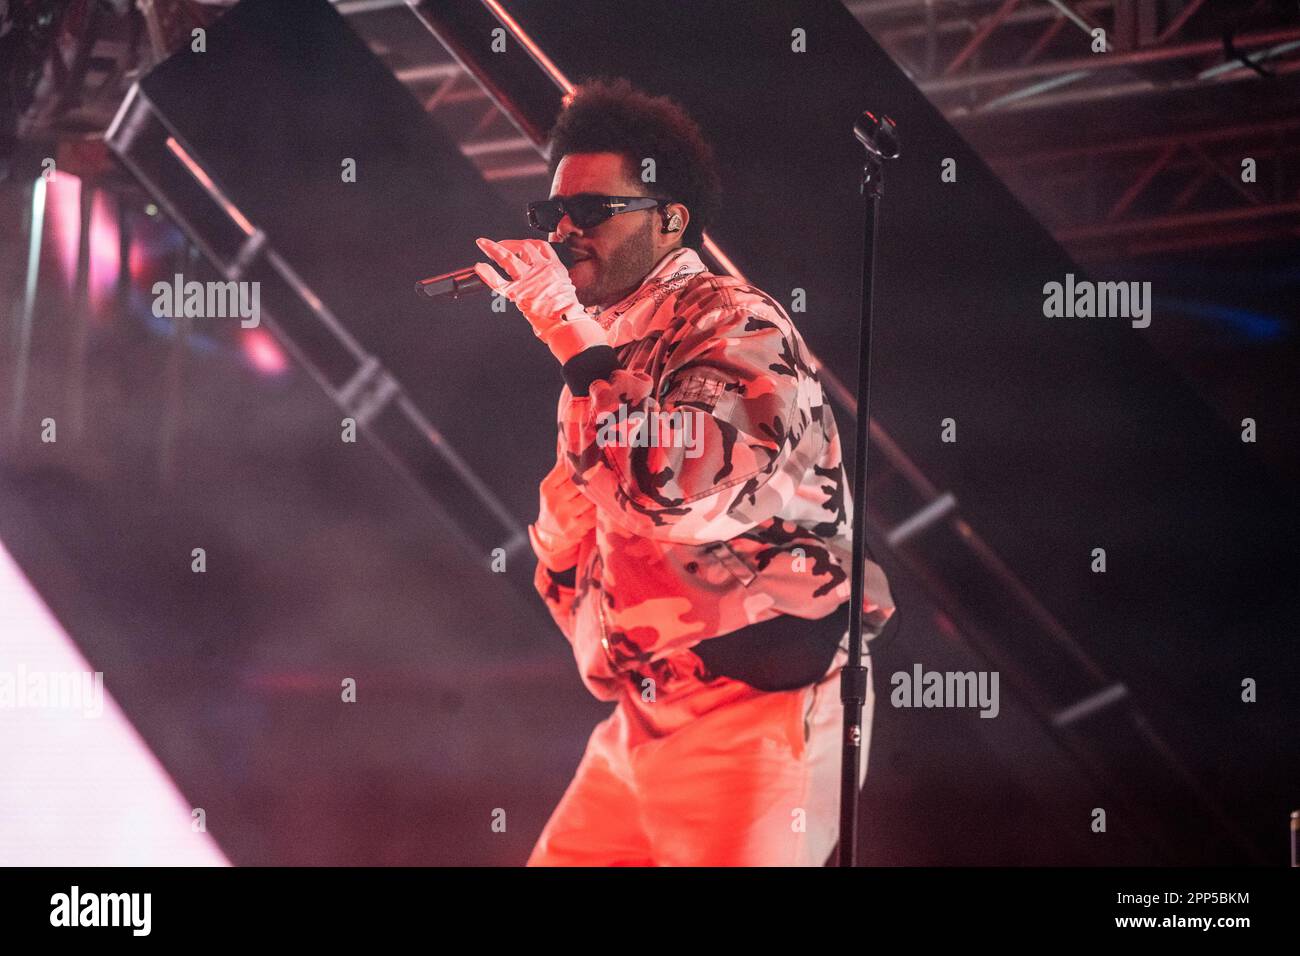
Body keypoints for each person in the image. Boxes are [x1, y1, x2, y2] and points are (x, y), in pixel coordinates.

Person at [474, 78, 895, 866]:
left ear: (669, 219)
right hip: (646, 714)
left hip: (751, 715)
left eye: (591, 211)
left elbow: (675, 488)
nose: (563, 232)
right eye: (550, 214)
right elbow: (584, 513)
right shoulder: (615, 345)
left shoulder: (733, 322)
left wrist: (569, 336)